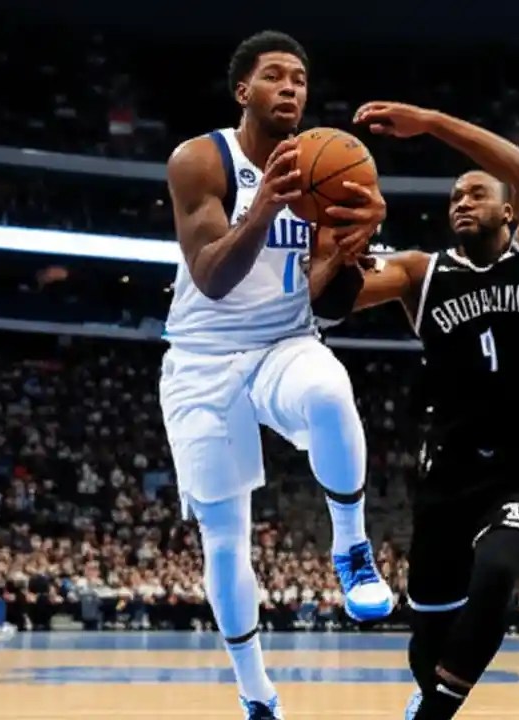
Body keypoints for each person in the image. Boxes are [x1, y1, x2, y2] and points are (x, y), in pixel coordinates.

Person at [309, 100, 519, 720]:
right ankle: (432, 694)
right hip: (448, 471)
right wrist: (336, 245)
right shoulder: (418, 273)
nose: (462, 201)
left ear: (508, 211)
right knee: (429, 635)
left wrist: (431, 124)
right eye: (455, 195)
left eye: (477, 193)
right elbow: (330, 304)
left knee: (498, 572)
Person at [158, 30, 390, 719]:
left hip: (283, 342)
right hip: (201, 358)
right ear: (243, 90)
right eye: (275, 76)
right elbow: (212, 277)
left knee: (330, 389)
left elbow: (323, 299)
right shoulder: (200, 160)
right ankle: (257, 693)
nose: (290, 87)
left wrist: (348, 251)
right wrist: (263, 209)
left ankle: (351, 546)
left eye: (300, 79)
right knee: (226, 537)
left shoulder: (324, 163)